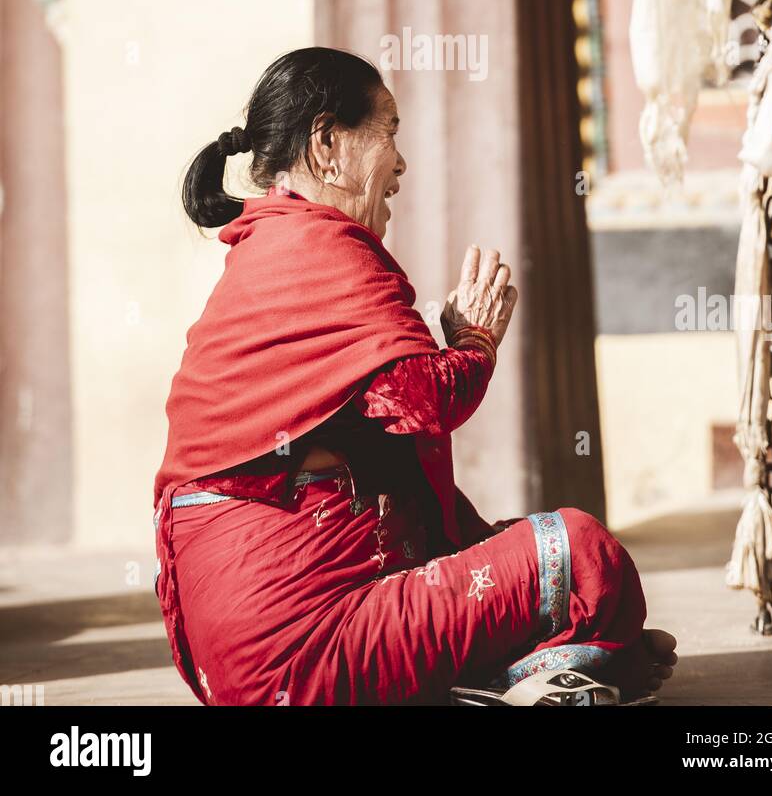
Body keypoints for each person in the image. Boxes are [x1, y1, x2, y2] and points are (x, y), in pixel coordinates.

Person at [153, 46, 677, 706]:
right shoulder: (322, 247)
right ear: (326, 145)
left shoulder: (270, 249)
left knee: (508, 545)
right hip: (298, 650)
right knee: (583, 557)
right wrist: (475, 341)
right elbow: (421, 401)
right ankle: (551, 663)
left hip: (240, 667)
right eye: (389, 131)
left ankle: (556, 662)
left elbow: (387, 437)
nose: (399, 164)